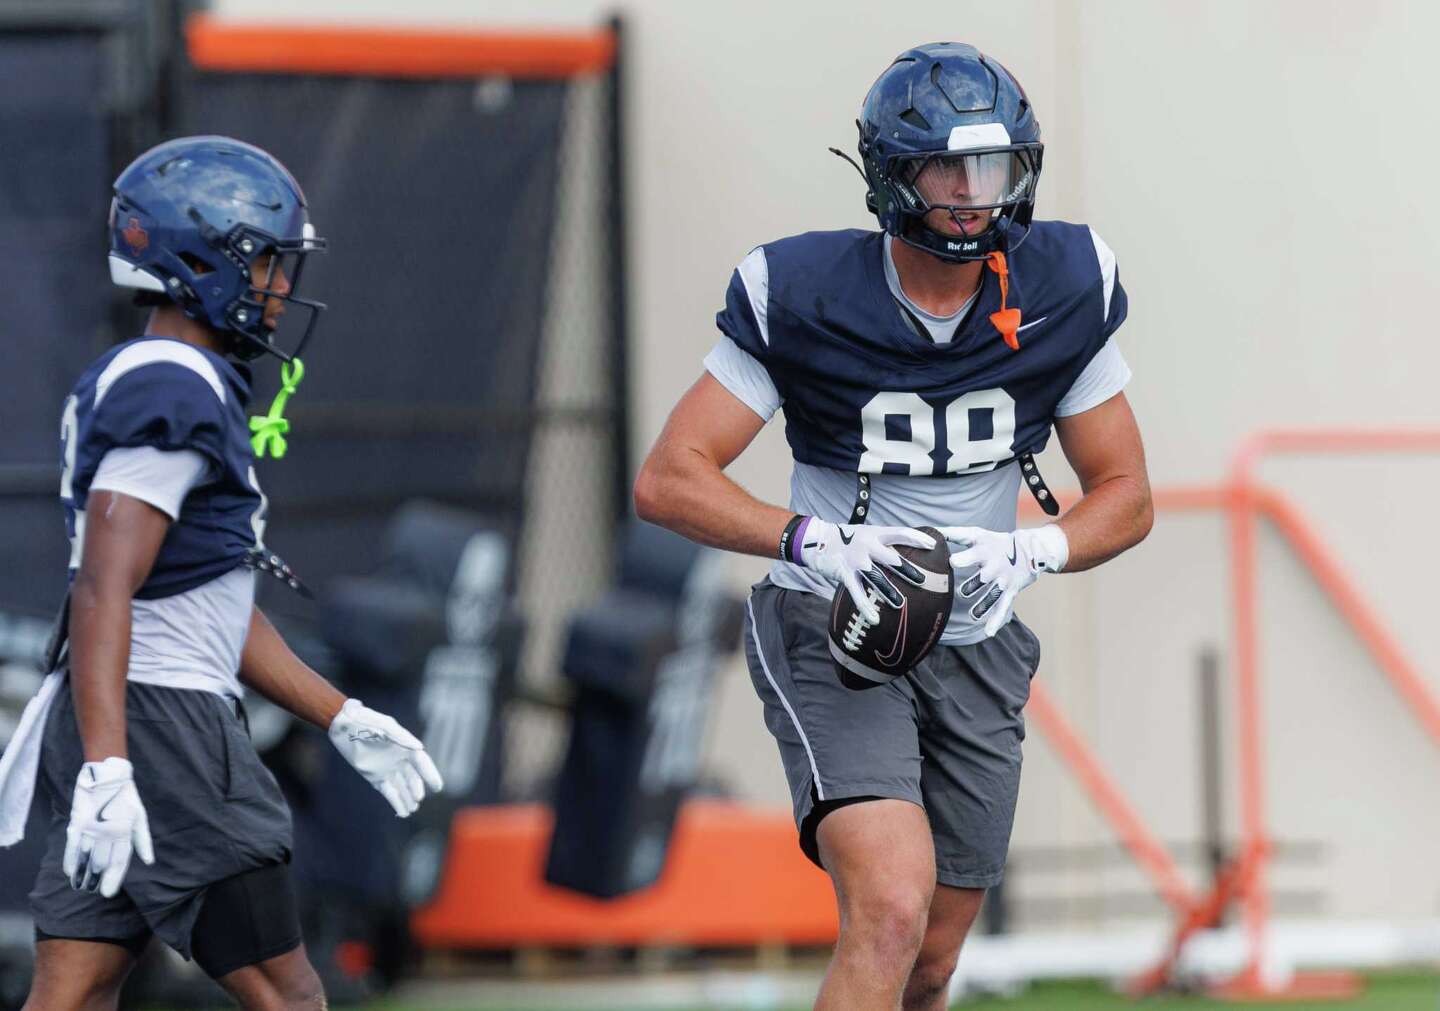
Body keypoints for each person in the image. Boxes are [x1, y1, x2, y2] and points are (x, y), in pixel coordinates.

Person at [634, 43, 1152, 1010]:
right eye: (945, 168)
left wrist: (1033, 548)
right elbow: (669, 477)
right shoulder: (804, 293)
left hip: (977, 636)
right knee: (889, 907)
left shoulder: (1064, 285)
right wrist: (817, 542)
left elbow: (1126, 491)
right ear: (890, 173)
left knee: (932, 960)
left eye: (989, 167)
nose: (970, 193)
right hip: (836, 627)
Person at [0, 136, 443, 1011]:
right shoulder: (174, 383)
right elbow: (104, 586)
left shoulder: (174, 377)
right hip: (162, 727)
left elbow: (209, 608)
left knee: (74, 991)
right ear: (201, 260)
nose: (279, 287)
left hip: (133, 714)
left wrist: (341, 714)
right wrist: (111, 764)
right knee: (290, 993)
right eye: (267, 263)